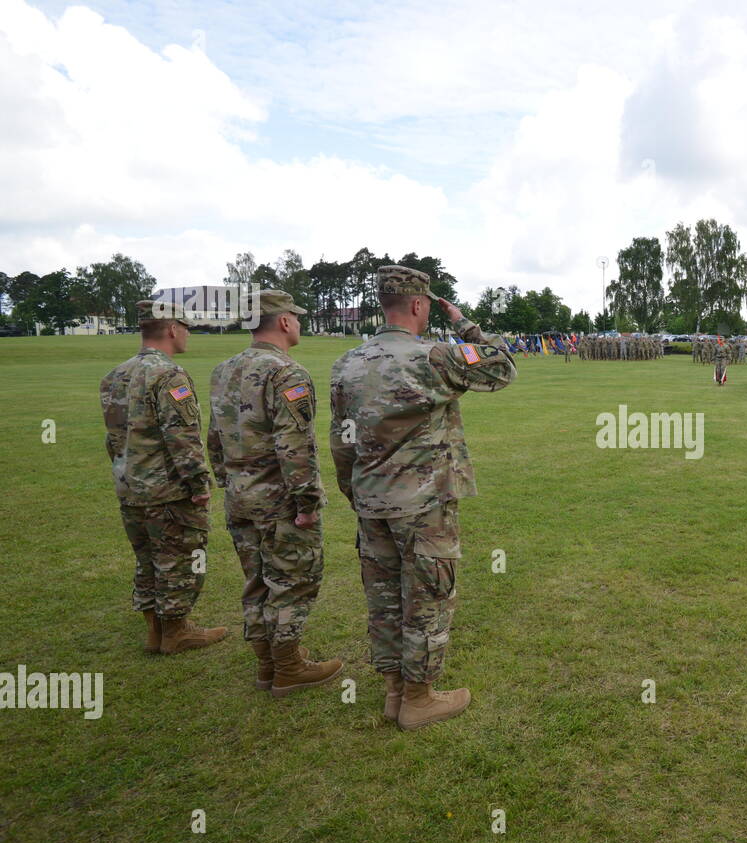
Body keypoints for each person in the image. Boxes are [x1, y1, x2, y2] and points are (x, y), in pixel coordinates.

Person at [330, 266, 516, 731]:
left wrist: (352, 490)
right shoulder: (434, 356)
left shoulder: (348, 363)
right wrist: (464, 323)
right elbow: (502, 366)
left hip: (371, 500)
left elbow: (340, 439)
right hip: (425, 502)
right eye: (429, 304)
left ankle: (395, 693)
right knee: (428, 595)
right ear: (418, 304)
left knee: (386, 598)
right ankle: (418, 698)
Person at [208, 290, 341, 697]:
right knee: (292, 581)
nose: (299, 324)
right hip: (279, 500)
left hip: (240, 497)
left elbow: (213, 438)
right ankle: (288, 668)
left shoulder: (223, 370)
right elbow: (293, 444)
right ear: (283, 321)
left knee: (257, 580)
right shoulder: (286, 373)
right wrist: (307, 503)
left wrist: (226, 482)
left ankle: (266, 666)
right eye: (296, 317)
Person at [100, 300, 227, 654]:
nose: (187, 334)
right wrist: (199, 484)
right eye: (185, 327)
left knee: (147, 558)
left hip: (130, 487)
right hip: (167, 490)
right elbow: (182, 437)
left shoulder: (114, 375)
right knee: (179, 558)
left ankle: (155, 631)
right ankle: (176, 631)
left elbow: (112, 439)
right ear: (172, 329)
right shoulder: (169, 376)